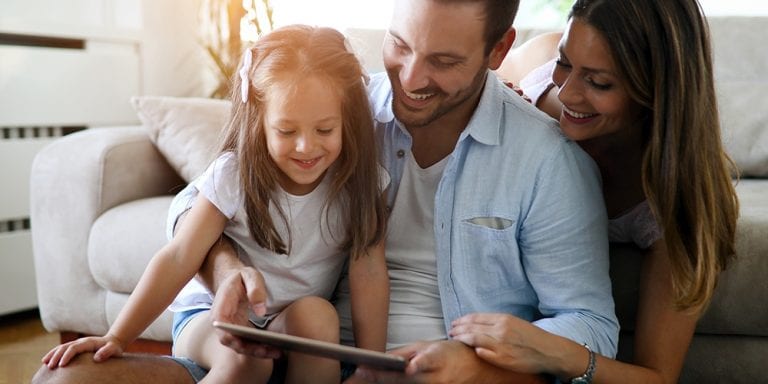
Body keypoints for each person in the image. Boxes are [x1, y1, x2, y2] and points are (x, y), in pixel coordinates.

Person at [32, 1, 620, 383]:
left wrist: (480, 362)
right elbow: (205, 201)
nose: (411, 79)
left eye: (443, 60)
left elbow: (591, 324)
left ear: (497, 51)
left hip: (405, 370)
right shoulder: (340, 103)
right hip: (262, 345)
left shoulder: (546, 162)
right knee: (66, 379)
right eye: (400, 45)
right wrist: (227, 262)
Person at [38, 25, 390, 384]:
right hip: (212, 320)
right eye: (286, 131)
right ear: (260, 122)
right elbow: (179, 256)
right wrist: (117, 336)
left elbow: (370, 273)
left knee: (319, 316)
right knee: (245, 359)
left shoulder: (362, 184)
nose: (306, 146)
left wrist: (372, 366)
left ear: (348, 120)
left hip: (290, 323)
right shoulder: (233, 174)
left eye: (325, 130)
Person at [453, 0, 740, 383]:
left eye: (599, 82)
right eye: (566, 62)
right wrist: (494, 100)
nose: (569, 93)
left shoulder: (674, 201)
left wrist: (554, 350)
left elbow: (657, 376)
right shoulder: (541, 87)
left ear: (655, 90)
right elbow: (467, 77)